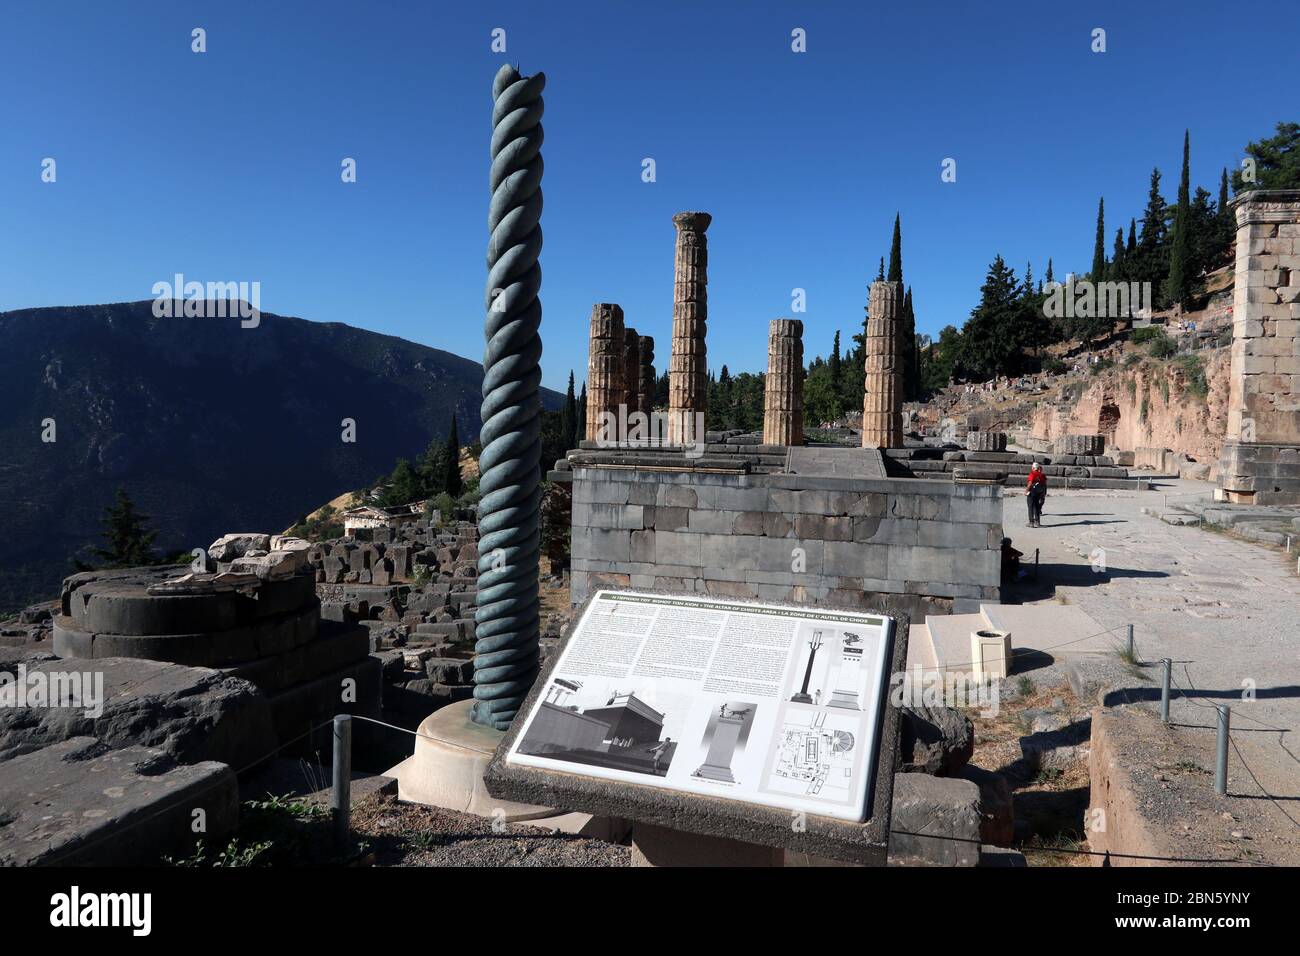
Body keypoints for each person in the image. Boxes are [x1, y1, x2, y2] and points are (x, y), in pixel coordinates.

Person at [1026, 462, 1047, 527]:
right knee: (1037, 506)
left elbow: (1030, 482)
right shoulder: (1042, 475)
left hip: (1032, 492)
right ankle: (1037, 522)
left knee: (1030, 507)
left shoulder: (1032, 474)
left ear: (1032, 468)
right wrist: (1044, 493)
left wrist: (1026, 490)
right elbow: (1044, 484)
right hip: (1039, 492)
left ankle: (1031, 522)